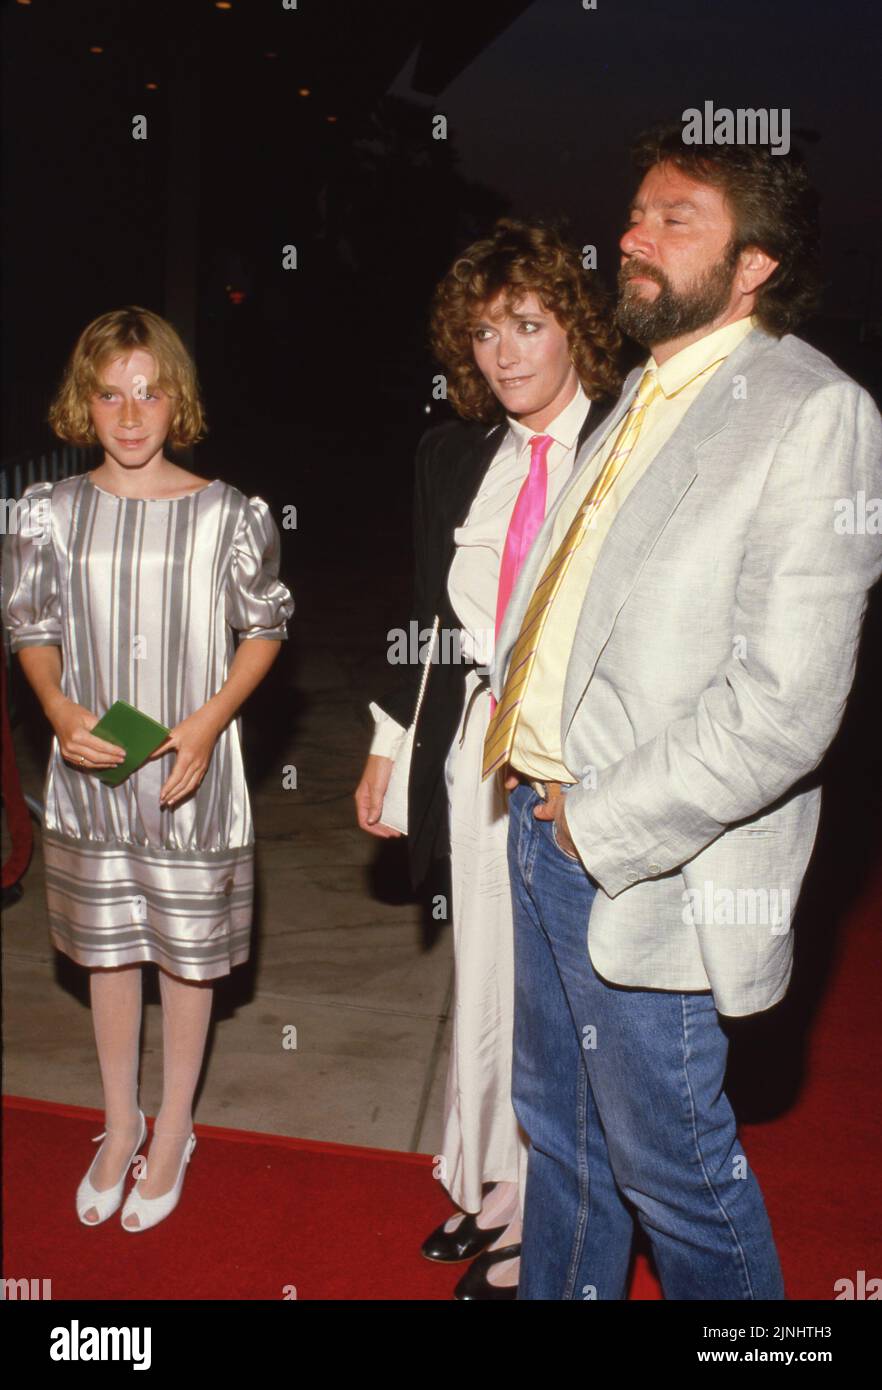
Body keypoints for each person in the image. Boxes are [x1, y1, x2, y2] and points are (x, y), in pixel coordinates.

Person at [483, 123, 882, 1298]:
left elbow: (782, 707)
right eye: (635, 213)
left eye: (674, 219)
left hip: (643, 863)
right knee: (563, 1143)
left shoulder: (814, 413)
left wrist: (591, 824)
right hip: (541, 830)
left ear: (753, 263)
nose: (632, 236)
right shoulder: (641, 391)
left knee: (679, 1180)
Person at [355, 219, 622, 1297]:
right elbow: (428, 612)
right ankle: (492, 1182)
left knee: (566, 991)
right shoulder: (454, 452)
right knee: (487, 977)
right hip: (473, 751)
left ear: (575, 328)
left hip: (578, 762)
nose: (505, 353)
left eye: (528, 324)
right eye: (483, 333)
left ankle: (554, 1210)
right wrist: (390, 745)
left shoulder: (624, 440)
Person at [1, 306, 294, 1232]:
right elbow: (31, 626)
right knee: (108, 951)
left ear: (178, 401)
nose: (131, 414)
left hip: (188, 778)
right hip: (91, 771)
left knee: (187, 956)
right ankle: (119, 1121)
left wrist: (209, 723)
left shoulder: (227, 514)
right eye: (111, 394)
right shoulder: (47, 513)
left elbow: (266, 626)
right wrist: (53, 705)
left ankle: (173, 1129)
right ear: (83, 404)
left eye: (149, 392)